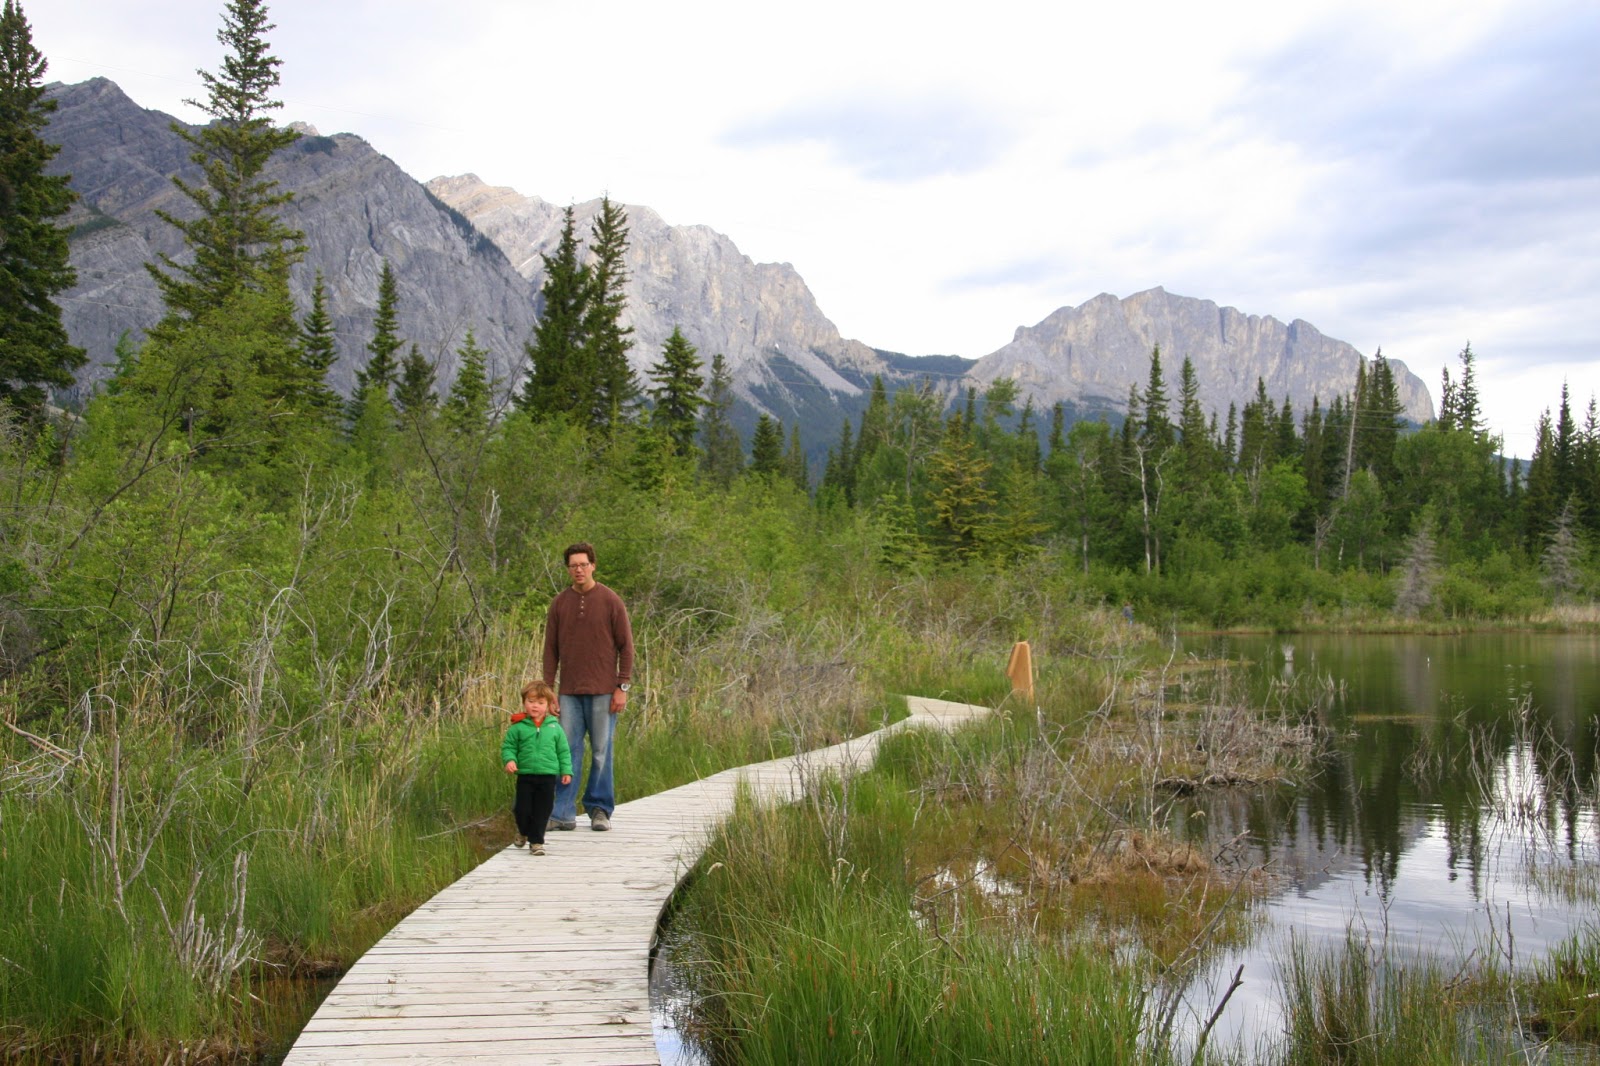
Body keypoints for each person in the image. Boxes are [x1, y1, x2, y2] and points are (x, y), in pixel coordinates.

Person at [543, 542, 634, 832]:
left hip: (604, 691)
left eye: (583, 564)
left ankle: (599, 809)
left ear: (593, 565)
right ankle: (562, 812)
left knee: (601, 751)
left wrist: (622, 686)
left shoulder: (610, 600)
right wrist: (547, 691)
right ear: (568, 569)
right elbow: (550, 650)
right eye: (573, 566)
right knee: (566, 752)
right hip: (568, 692)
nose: (578, 570)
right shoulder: (560, 603)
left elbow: (626, 647)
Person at [500, 680, 573, 856]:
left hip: (548, 776)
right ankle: (523, 830)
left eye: (540, 703)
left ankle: (537, 842)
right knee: (522, 809)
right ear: (524, 702)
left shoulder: (555, 728)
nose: (535, 707)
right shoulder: (518, 727)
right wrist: (509, 760)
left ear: (548, 705)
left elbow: (563, 751)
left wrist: (566, 770)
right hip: (525, 775)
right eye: (531, 702)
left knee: (543, 810)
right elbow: (508, 746)